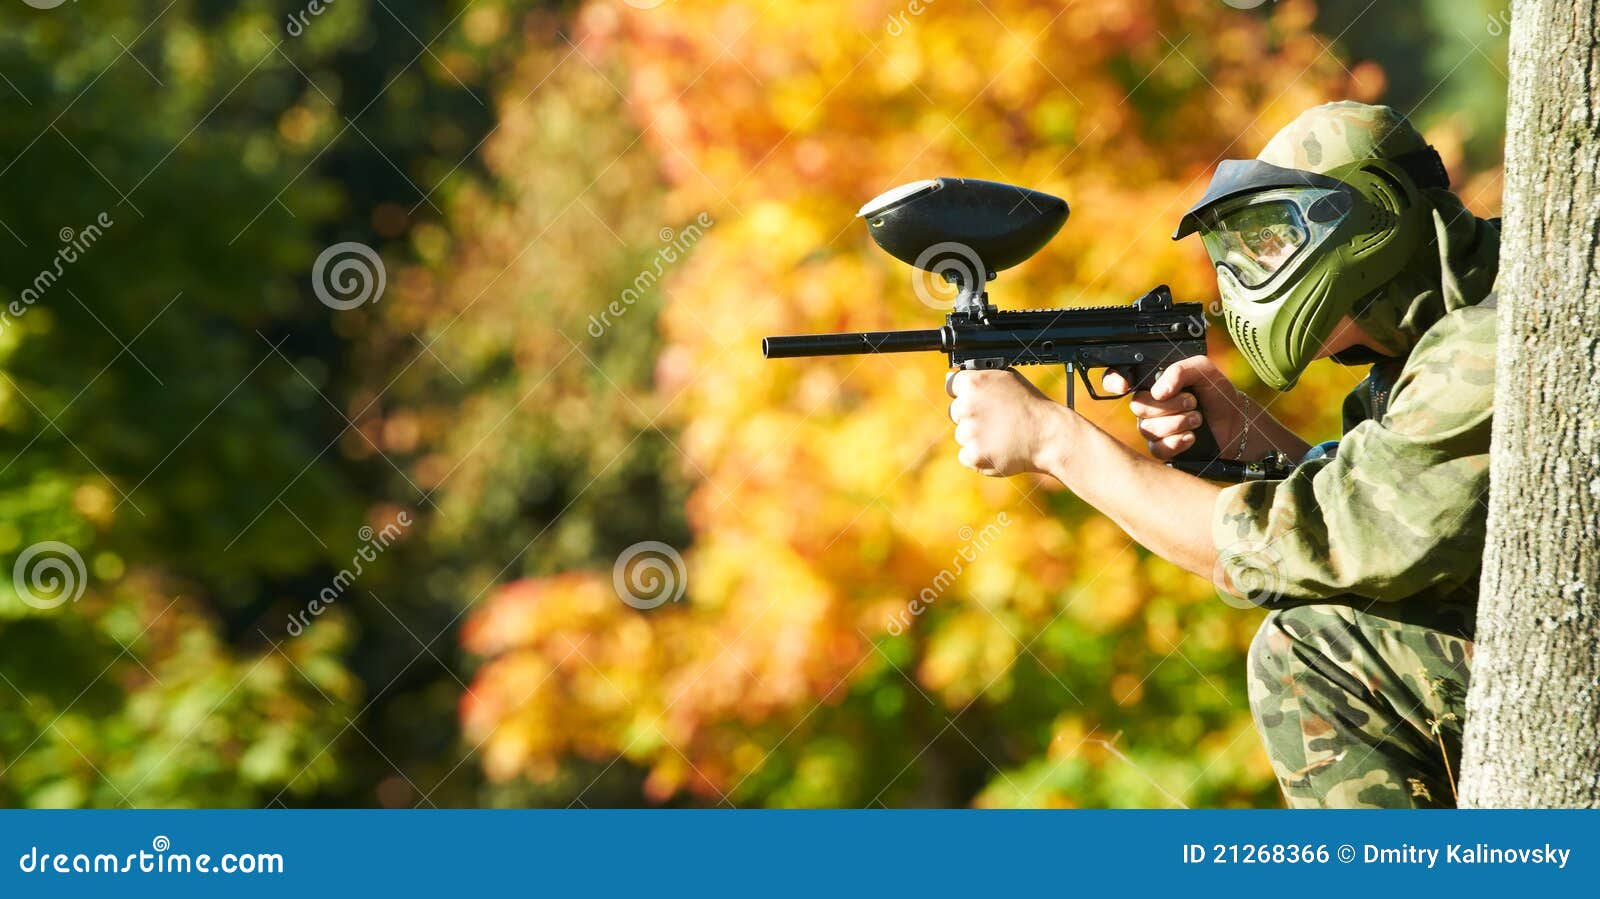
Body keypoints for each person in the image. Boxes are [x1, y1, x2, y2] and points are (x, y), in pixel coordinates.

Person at [944, 102, 1499, 808]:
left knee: (1310, 652)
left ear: (1378, 213)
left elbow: (1336, 542)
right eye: (1242, 250)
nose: (1251, 272)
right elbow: (1393, 507)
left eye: (1277, 240)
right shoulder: (1428, 339)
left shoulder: (1485, 344)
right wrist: (1251, 440)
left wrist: (1057, 441)